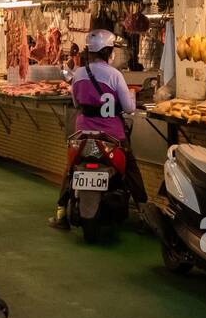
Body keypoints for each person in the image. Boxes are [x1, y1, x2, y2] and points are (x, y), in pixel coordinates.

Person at [49, 29, 145, 228]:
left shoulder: (79, 74)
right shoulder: (115, 75)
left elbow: (76, 103)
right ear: (109, 51)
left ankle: (61, 212)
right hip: (112, 134)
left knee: (71, 168)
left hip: (82, 131)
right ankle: (144, 211)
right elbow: (128, 108)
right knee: (131, 167)